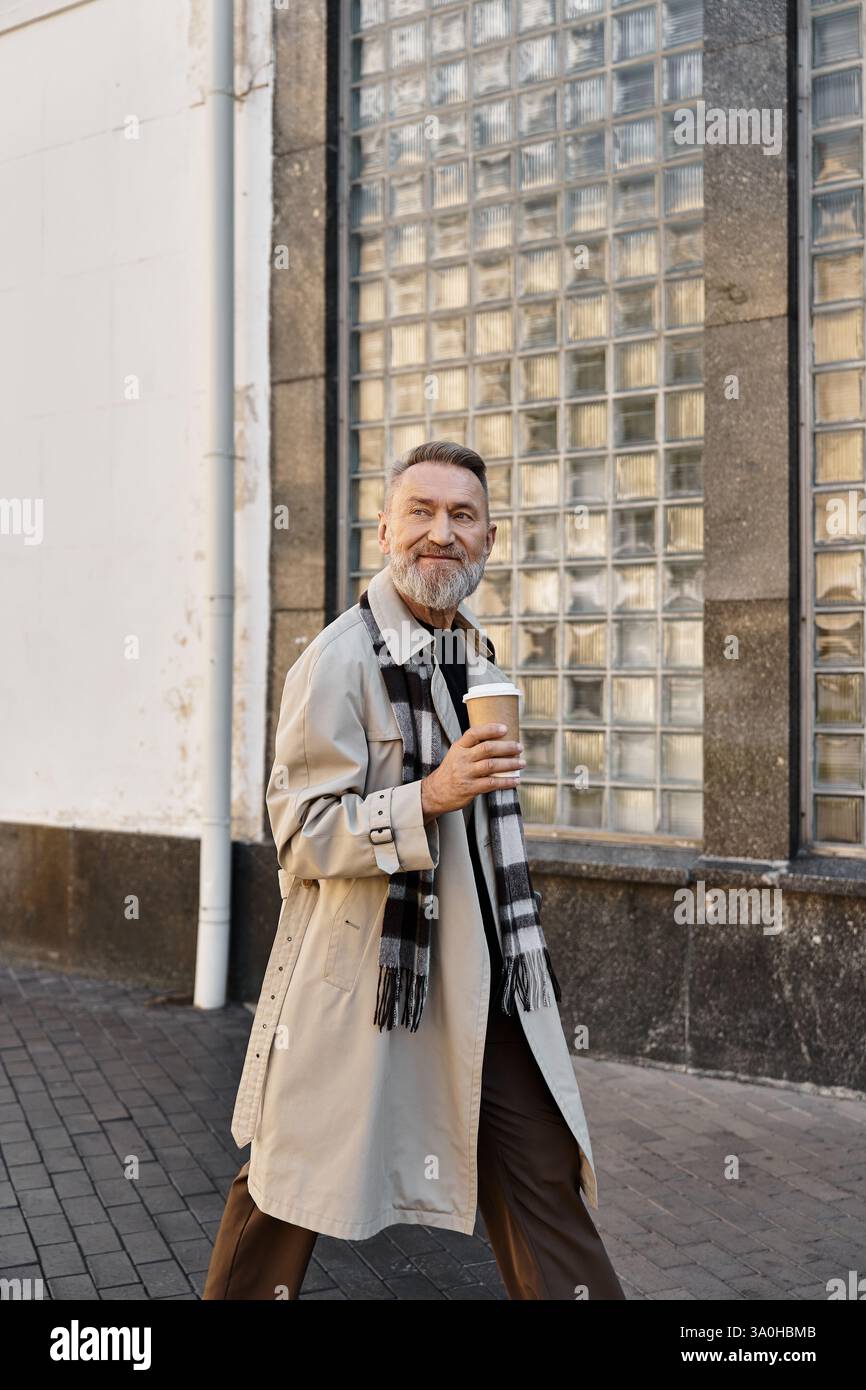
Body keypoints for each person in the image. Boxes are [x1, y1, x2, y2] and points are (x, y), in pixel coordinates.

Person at [203, 441, 625, 1301]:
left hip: (484, 983)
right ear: (386, 528)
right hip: (370, 981)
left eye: (462, 516)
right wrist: (427, 796)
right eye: (423, 513)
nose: (442, 533)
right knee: (290, 1183)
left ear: (489, 541)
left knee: (542, 1175)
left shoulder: (478, 660)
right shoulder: (340, 659)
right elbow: (302, 834)